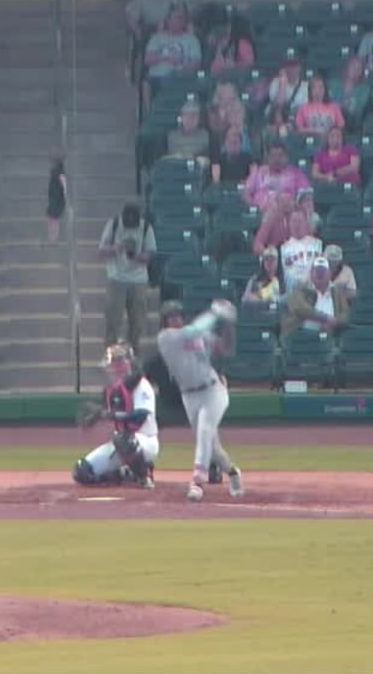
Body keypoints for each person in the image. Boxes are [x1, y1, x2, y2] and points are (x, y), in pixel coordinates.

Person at [156, 300, 244, 502]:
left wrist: (229, 324)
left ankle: (197, 482)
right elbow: (192, 332)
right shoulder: (165, 338)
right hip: (189, 395)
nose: (175, 320)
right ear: (164, 321)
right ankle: (233, 473)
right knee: (211, 446)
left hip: (213, 390)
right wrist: (215, 313)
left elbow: (226, 348)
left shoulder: (197, 333)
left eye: (178, 315)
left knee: (205, 430)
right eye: (171, 317)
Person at [72, 343, 159, 489]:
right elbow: (110, 414)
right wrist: (98, 416)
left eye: (114, 364)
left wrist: (108, 415)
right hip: (121, 443)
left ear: (124, 363)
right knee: (82, 471)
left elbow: (140, 416)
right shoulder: (113, 390)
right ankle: (126, 473)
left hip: (146, 442)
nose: (110, 368)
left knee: (123, 438)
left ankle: (144, 475)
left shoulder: (141, 385)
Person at [99, 203, 156, 351]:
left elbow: (150, 254)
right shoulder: (114, 224)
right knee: (113, 319)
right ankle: (110, 353)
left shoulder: (146, 228)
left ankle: (133, 352)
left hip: (138, 280)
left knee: (137, 321)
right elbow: (101, 252)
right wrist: (117, 248)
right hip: (116, 278)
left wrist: (137, 257)